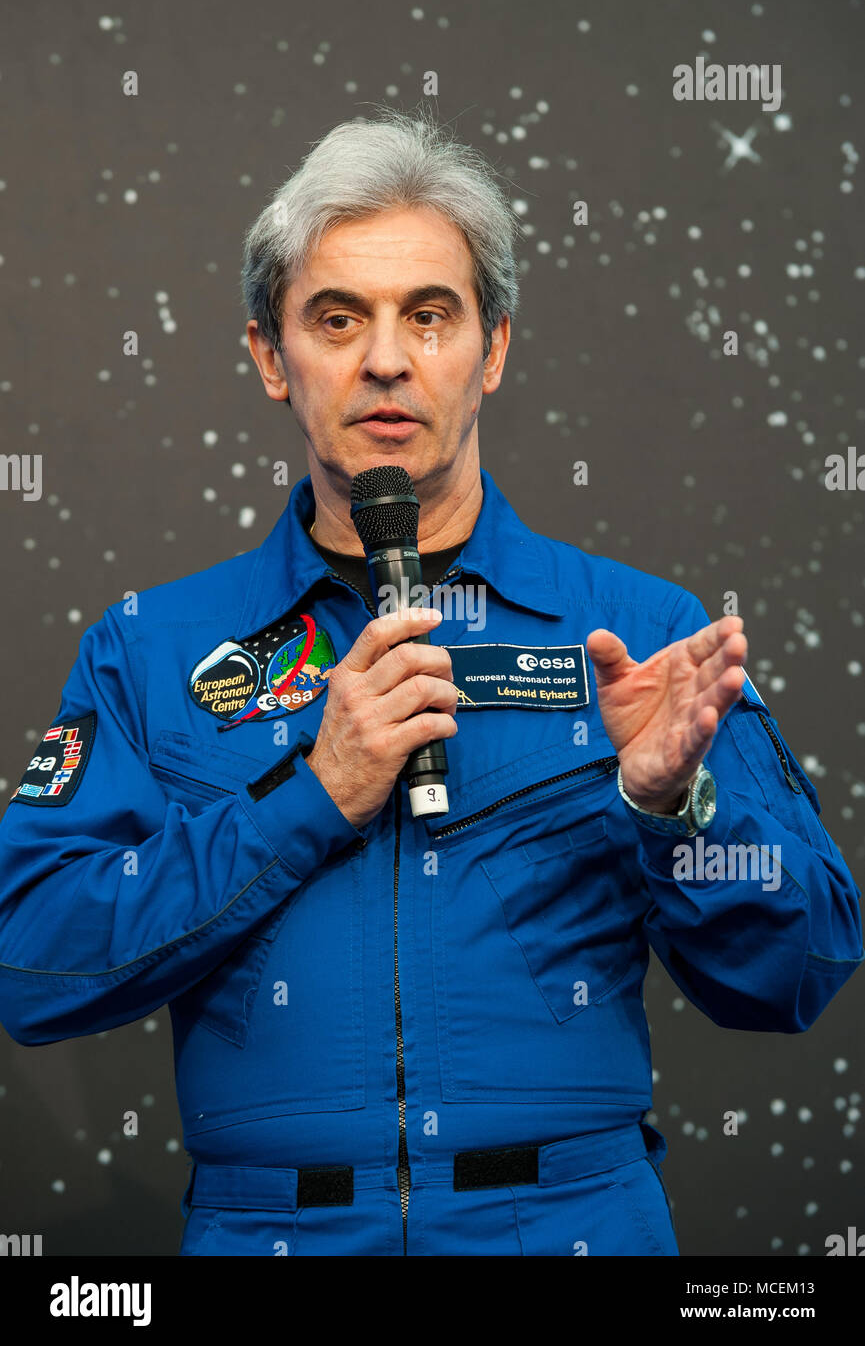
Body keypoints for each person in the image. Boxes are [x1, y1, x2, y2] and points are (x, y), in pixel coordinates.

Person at [0, 107, 861, 1258]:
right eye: (337, 317)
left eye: (431, 315)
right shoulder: (150, 646)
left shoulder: (643, 634)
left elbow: (800, 968)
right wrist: (311, 795)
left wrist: (677, 807)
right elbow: (28, 960)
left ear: (492, 349)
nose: (387, 358)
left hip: (569, 1227)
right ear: (270, 356)